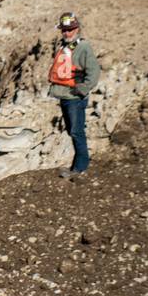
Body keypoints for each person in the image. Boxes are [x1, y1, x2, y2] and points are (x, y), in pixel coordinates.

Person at [48, 11, 101, 179]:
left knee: (77, 131)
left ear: (77, 29)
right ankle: (77, 166)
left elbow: (93, 71)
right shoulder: (65, 46)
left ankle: (80, 168)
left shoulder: (83, 47)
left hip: (75, 97)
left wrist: (83, 88)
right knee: (73, 131)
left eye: (70, 29)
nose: (66, 33)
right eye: (64, 30)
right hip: (65, 95)